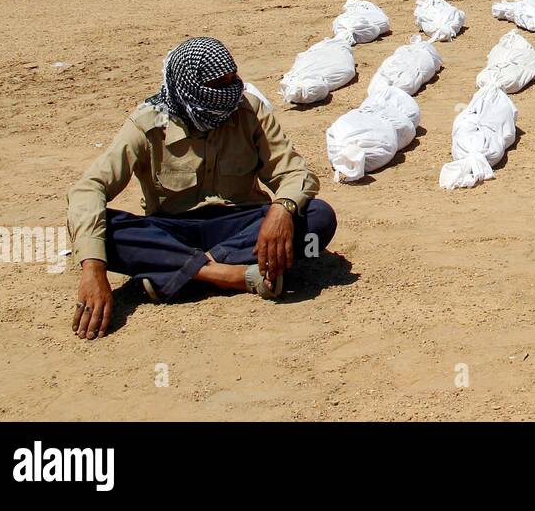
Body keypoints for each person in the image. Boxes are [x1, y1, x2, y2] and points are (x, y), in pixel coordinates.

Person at [67, 37, 337, 340]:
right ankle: (227, 275)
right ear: (189, 89)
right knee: (108, 229)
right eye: (219, 86)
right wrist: (92, 268)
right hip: (171, 230)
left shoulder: (249, 111)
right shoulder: (149, 123)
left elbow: (294, 172)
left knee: (317, 216)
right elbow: (88, 189)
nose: (231, 92)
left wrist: (282, 207)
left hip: (242, 226)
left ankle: (179, 272)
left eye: (234, 79)